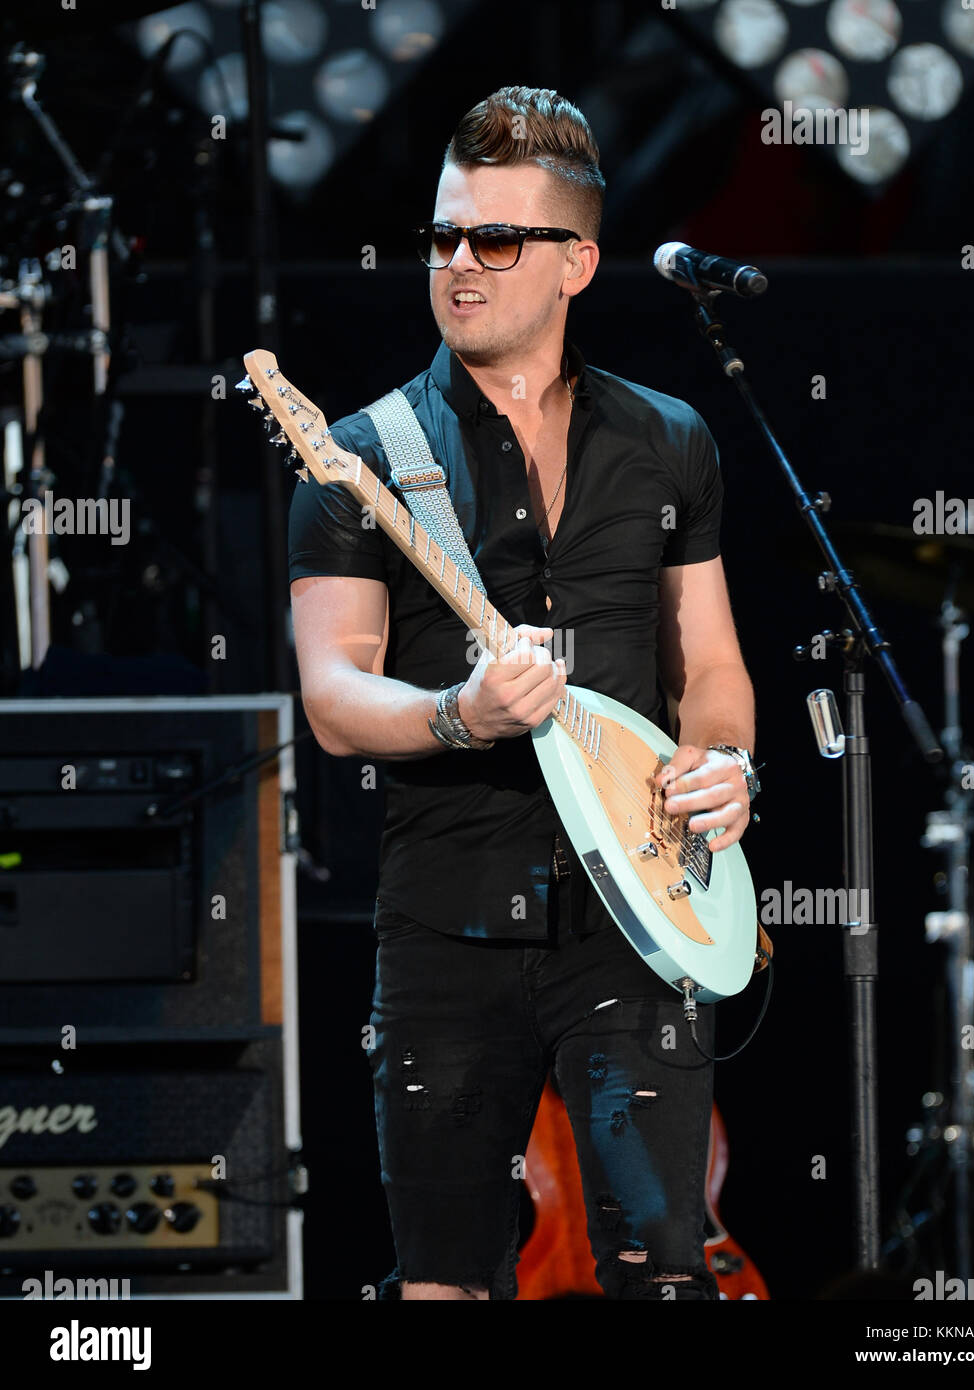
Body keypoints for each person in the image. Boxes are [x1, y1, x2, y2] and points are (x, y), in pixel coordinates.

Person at [288, 86, 757, 1301]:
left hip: (638, 911)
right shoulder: (362, 455)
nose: (457, 263)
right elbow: (334, 693)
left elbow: (706, 666)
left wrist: (723, 765)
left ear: (576, 262)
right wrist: (457, 715)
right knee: (445, 1279)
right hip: (446, 919)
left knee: (662, 1271)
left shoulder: (670, 442)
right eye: (443, 235)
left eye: (494, 238)